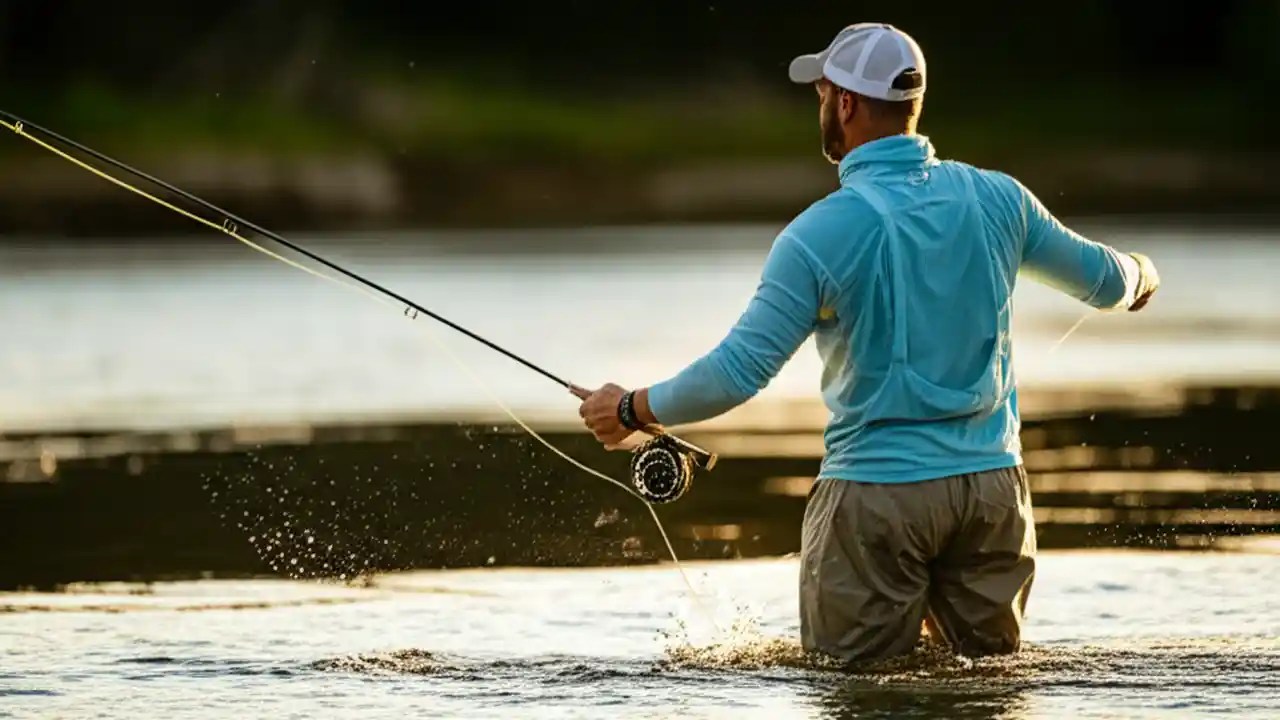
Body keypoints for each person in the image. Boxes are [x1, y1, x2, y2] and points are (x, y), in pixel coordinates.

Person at [574, 23, 1160, 663]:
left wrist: (631, 407)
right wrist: (1142, 273)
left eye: (822, 92)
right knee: (987, 690)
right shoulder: (999, 198)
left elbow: (739, 372)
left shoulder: (818, 233)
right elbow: (1109, 282)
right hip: (993, 494)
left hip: (875, 500)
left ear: (846, 104)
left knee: (853, 691)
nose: (820, 105)